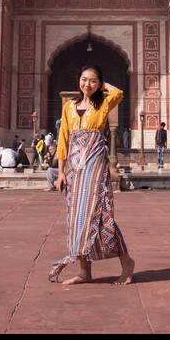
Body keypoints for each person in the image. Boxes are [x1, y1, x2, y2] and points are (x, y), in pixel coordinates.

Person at [49, 66, 135, 285]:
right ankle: (84, 271)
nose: (87, 84)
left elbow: (118, 93)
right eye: (84, 80)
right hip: (74, 169)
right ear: (78, 80)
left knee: (99, 216)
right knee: (76, 219)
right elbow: (63, 139)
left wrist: (103, 84)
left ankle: (126, 262)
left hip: (94, 166)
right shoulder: (69, 107)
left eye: (93, 81)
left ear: (99, 83)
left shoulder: (104, 103)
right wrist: (60, 173)